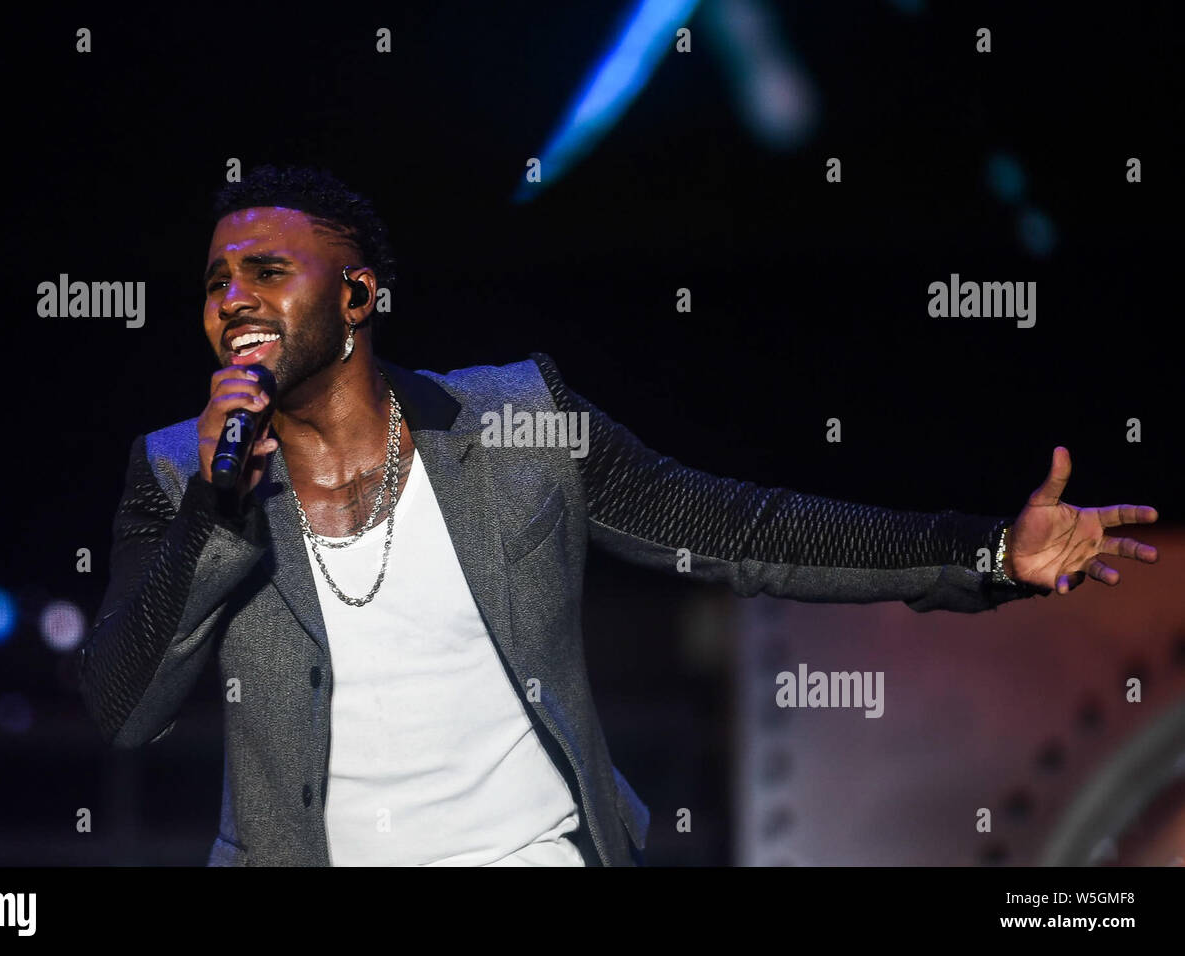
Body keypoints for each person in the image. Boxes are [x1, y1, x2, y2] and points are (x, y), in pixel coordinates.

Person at [78, 164, 1160, 867]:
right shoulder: (177, 473)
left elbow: (742, 528)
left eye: (267, 270)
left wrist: (979, 550)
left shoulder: (514, 422)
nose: (232, 300)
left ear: (359, 297)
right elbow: (124, 706)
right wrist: (218, 515)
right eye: (216, 280)